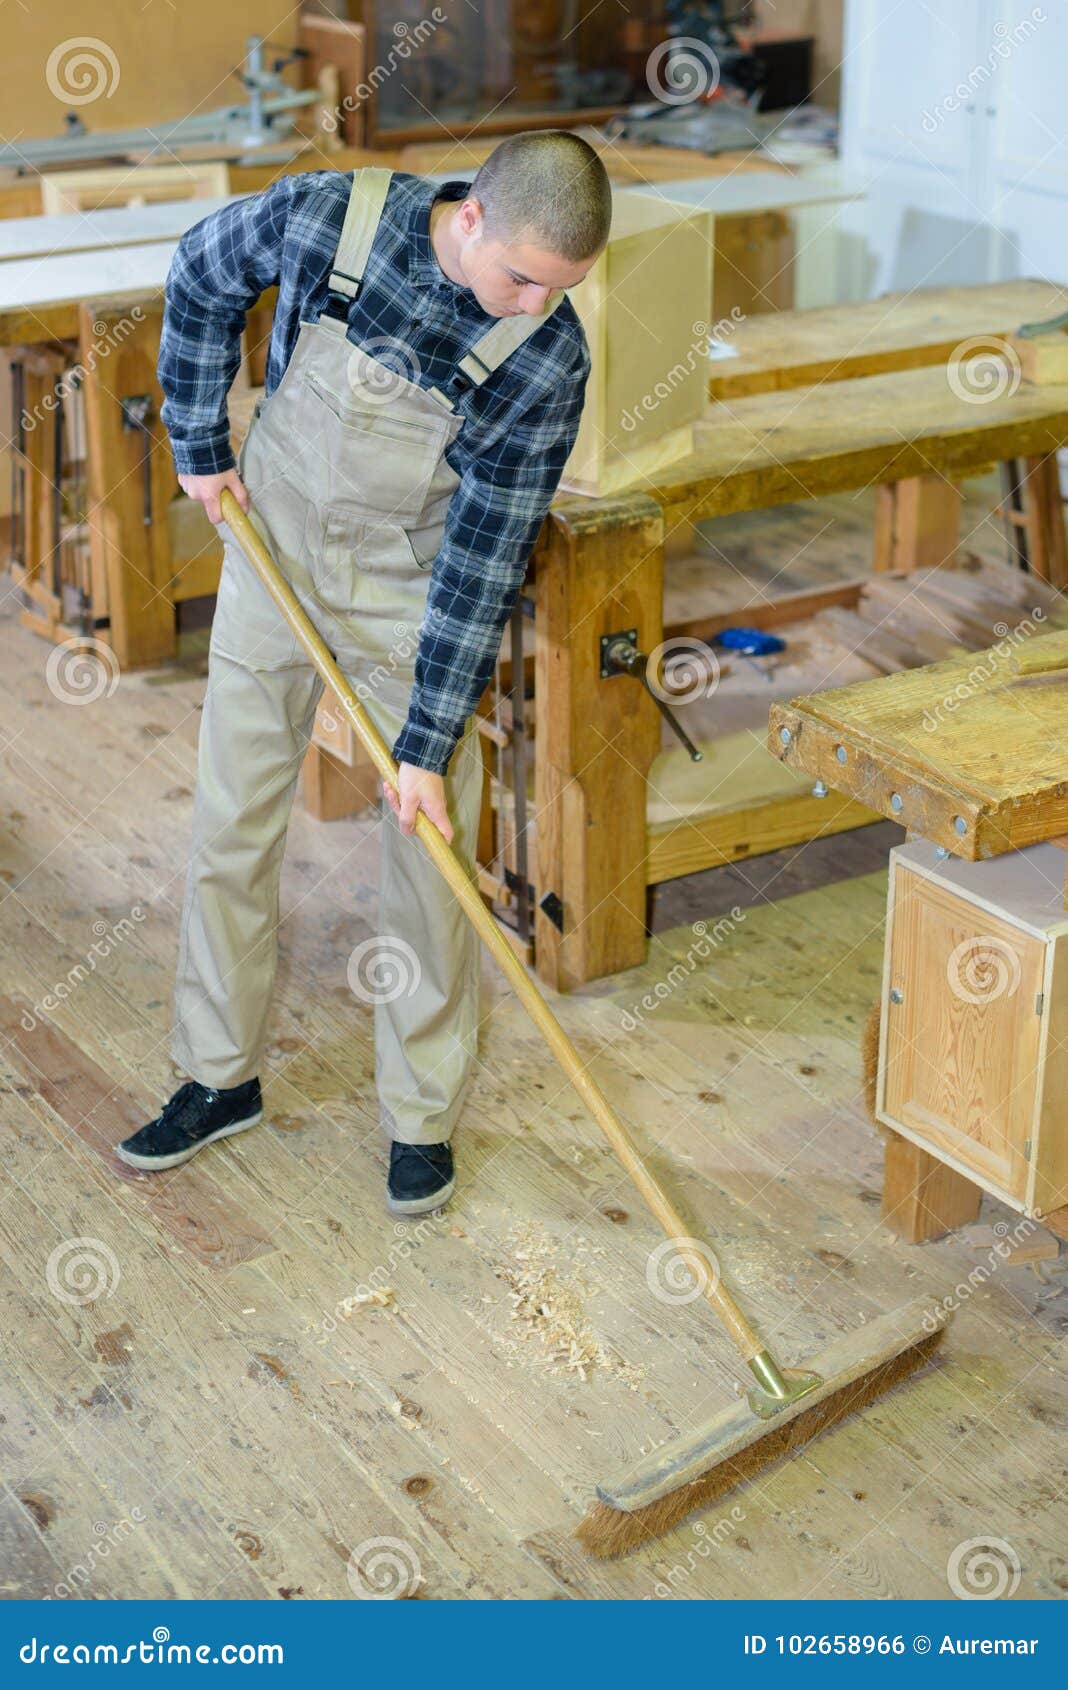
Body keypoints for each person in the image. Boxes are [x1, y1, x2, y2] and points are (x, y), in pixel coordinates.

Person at [116, 131, 611, 1215]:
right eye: (522, 277)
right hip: (272, 545)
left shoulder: (545, 359)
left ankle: (421, 1118)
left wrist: (425, 747)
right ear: (470, 217)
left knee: (429, 851)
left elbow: (484, 565)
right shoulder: (334, 215)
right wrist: (198, 438)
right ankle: (216, 1074)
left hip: (409, 590)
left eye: (559, 290)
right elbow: (200, 270)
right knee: (233, 820)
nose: (532, 305)